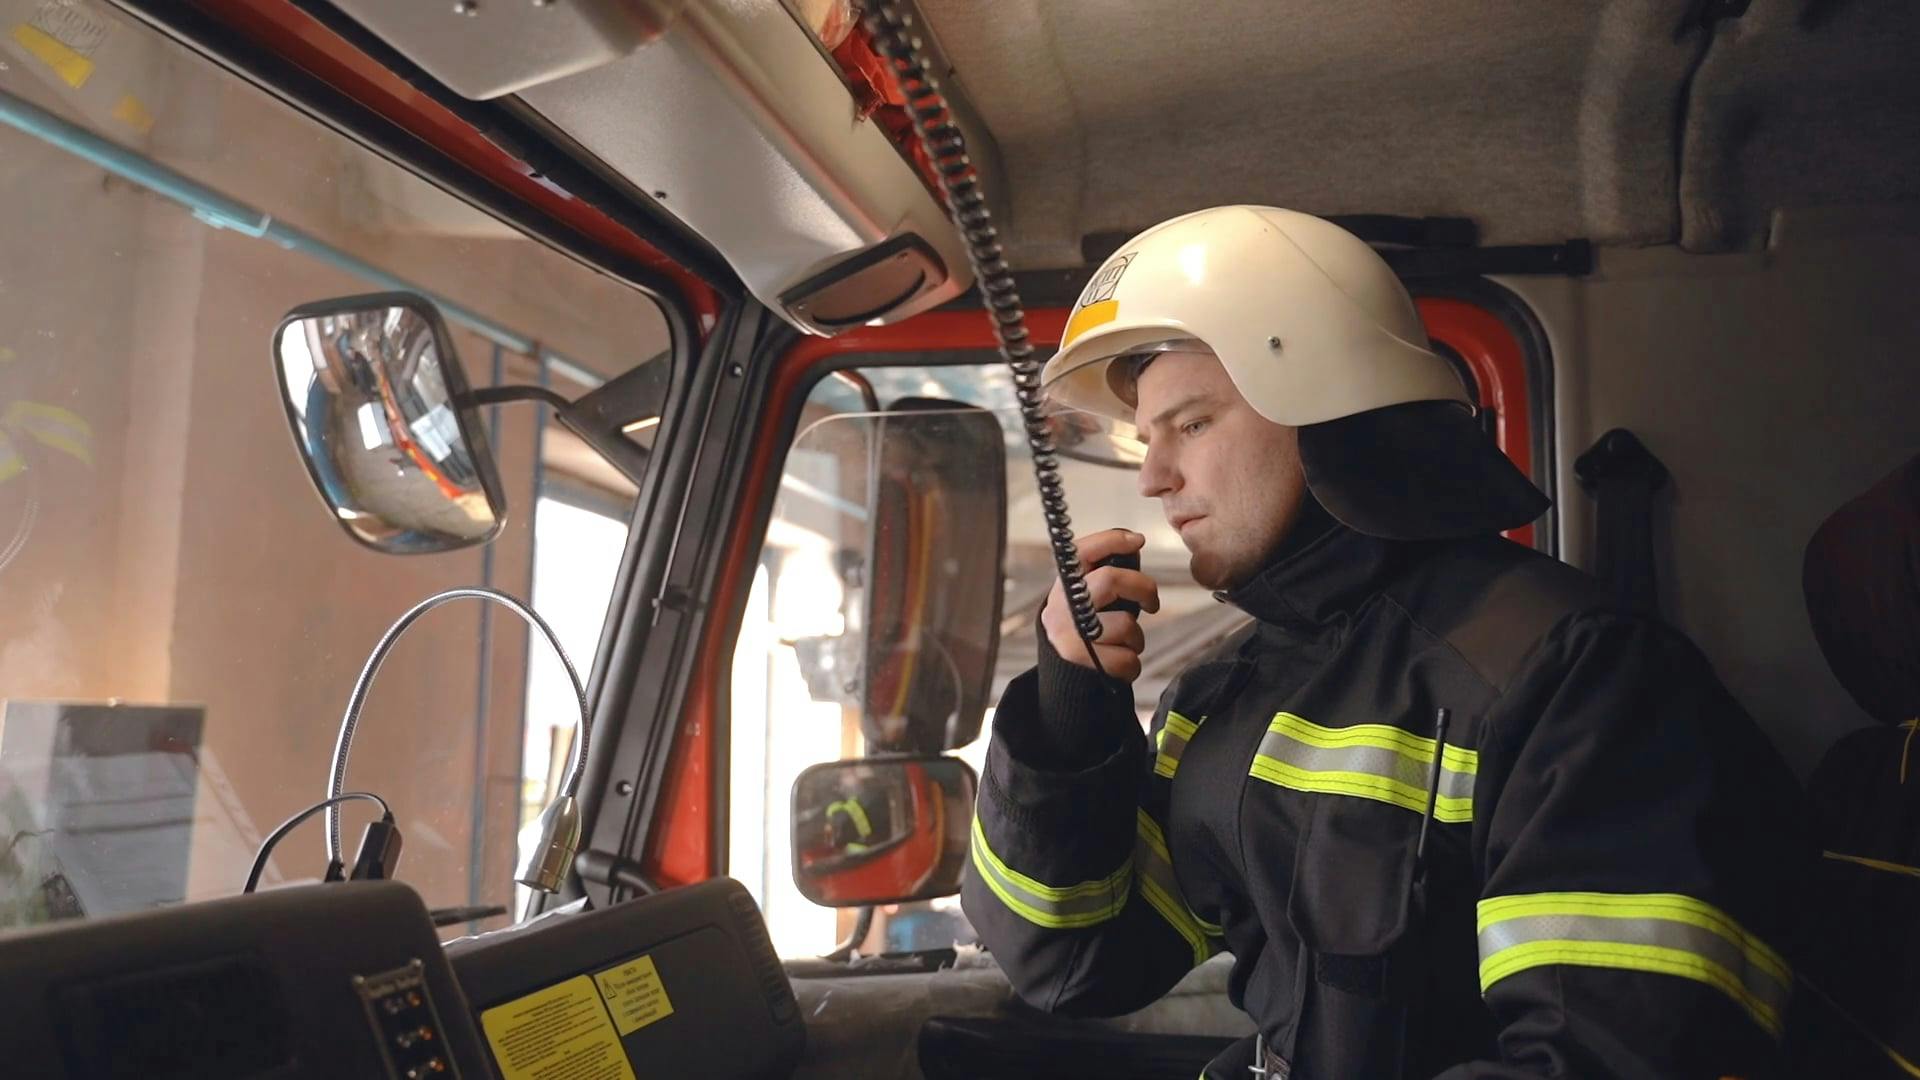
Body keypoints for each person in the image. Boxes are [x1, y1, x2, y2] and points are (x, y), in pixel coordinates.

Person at [961, 206, 1808, 1078]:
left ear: (1334, 404)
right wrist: (1067, 712)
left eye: (1194, 423)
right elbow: (1075, 965)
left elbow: (1610, 1057)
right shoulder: (1223, 694)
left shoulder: (1578, 676)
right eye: (1149, 435)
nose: (1152, 474)